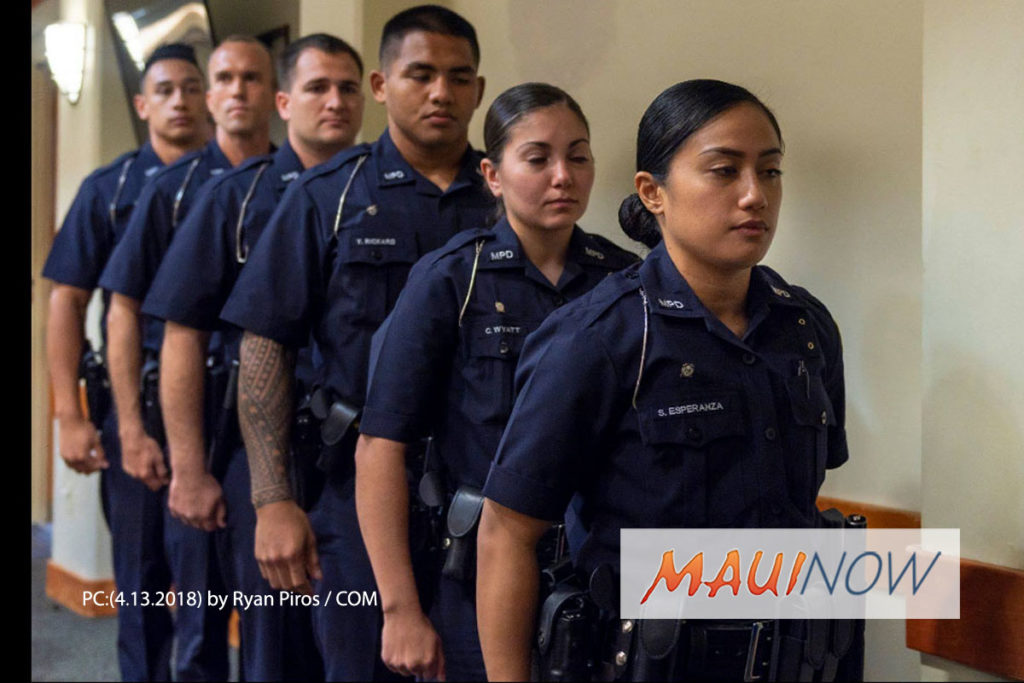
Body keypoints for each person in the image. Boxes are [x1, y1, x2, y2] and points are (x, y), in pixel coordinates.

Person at [476, 79, 851, 681]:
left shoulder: (804, 327)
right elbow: (506, 534)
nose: (755, 195)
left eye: (771, 171)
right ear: (653, 192)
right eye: (724, 171)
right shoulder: (598, 337)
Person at [220, 5, 493, 679]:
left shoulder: (506, 192)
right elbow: (264, 350)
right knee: (359, 665)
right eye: (420, 74)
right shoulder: (328, 196)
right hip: (350, 492)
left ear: (479, 92)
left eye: (459, 77)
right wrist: (273, 499)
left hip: (484, 491)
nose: (440, 92)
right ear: (381, 85)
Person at [354, 82, 639, 681]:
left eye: (579, 156)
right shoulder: (451, 280)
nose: (563, 176)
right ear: (493, 173)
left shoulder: (623, 282)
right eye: (537, 159)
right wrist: (400, 608)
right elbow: (381, 445)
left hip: (601, 578)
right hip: (478, 576)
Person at [140, 33, 365, 681]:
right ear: (286, 101)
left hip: (356, 462)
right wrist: (189, 469)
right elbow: (181, 334)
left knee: (354, 639)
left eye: (347, 87)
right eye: (318, 87)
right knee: (271, 641)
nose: (334, 101)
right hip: (258, 449)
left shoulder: (377, 191)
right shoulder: (233, 196)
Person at [98, 35, 277, 681]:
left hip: (265, 424)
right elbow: (122, 312)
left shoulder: (298, 185)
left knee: (264, 619)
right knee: (181, 612)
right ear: (212, 91)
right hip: (181, 416)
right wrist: (134, 431)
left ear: (273, 94)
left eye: (251, 78)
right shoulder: (171, 190)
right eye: (224, 77)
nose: (237, 91)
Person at [41, 43, 208, 681]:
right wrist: (69, 416)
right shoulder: (109, 190)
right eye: (164, 90)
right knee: (140, 580)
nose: (179, 101)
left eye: (191, 87)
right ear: (142, 105)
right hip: (131, 405)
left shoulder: (241, 184)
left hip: (217, 407)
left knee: (210, 580)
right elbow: (66, 302)